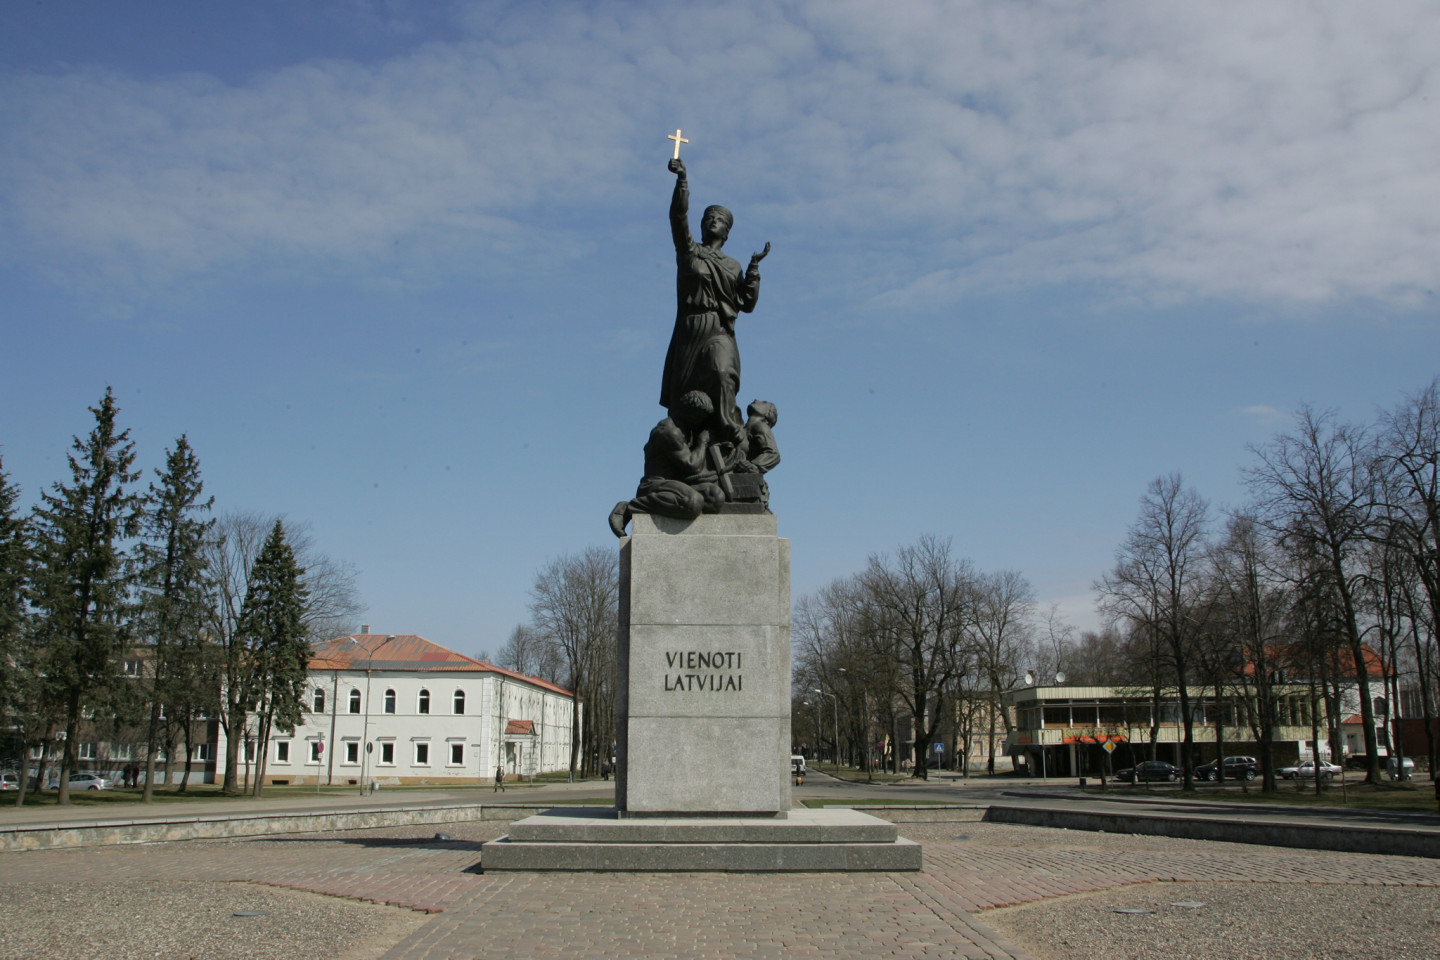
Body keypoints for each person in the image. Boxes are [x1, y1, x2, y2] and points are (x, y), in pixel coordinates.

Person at [659, 155, 768, 446]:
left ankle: (730, 430)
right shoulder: (690, 252)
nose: (712, 222)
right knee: (685, 397)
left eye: (719, 220)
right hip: (690, 327)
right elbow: (677, 219)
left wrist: (754, 268)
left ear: (727, 231)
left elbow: (747, 303)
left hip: (719, 328)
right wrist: (682, 182)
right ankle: (686, 448)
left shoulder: (732, 266)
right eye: (708, 218)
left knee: (721, 373)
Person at [610, 390, 727, 536]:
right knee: (693, 502)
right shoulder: (669, 432)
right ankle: (628, 507)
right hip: (654, 485)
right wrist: (702, 442)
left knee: (714, 496)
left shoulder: (686, 430)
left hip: (676, 485)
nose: (700, 421)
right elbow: (693, 466)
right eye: (699, 416)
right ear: (690, 411)